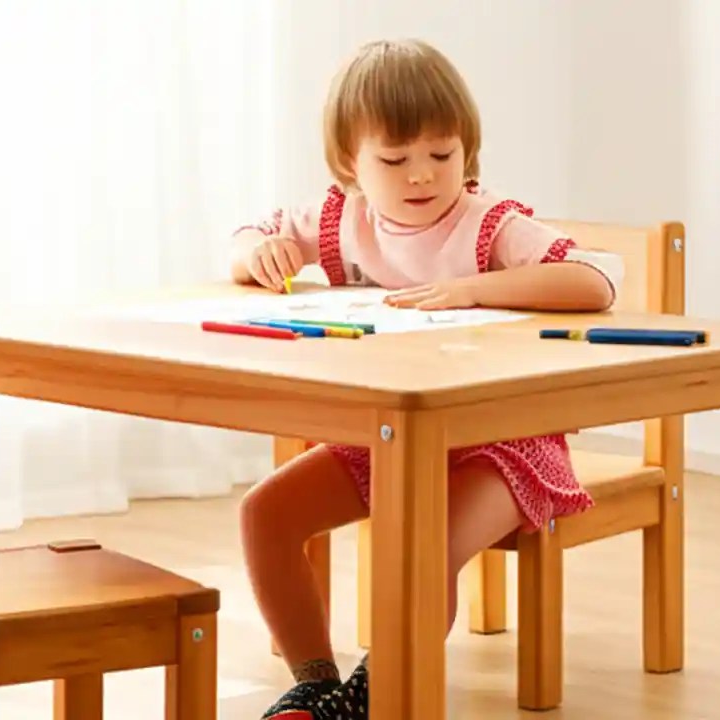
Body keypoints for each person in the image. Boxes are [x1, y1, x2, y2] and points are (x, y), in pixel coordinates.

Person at [229, 38, 622, 720]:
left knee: (421, 541)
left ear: (467, 154)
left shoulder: (484, 223)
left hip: (503, 444)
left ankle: (376, 694)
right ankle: (317, 685)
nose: (422, 176)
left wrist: (476, 288)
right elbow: (246, 241)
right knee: (265, 514)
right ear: (349, 164)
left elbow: (596, 280)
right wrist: (256, 252)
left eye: (443, 155)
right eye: (395, 159)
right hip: (390, 437)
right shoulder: (340, 218)